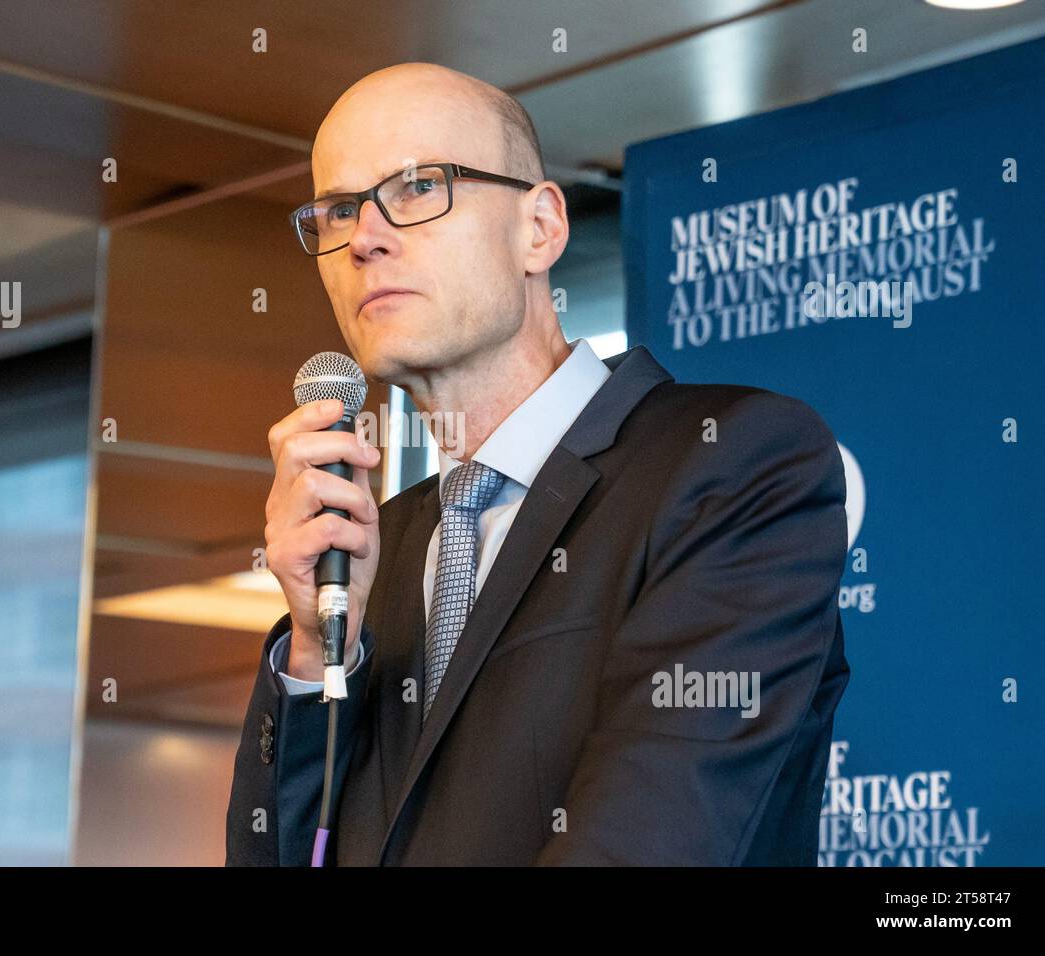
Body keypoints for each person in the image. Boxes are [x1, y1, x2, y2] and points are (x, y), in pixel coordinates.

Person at [226, 62, 849, 865]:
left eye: (416, 187)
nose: (367, 238)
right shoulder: (366, 546)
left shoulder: (731, 463)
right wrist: (317, 654)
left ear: (541, 229)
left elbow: (652, 841)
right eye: (340, 210)